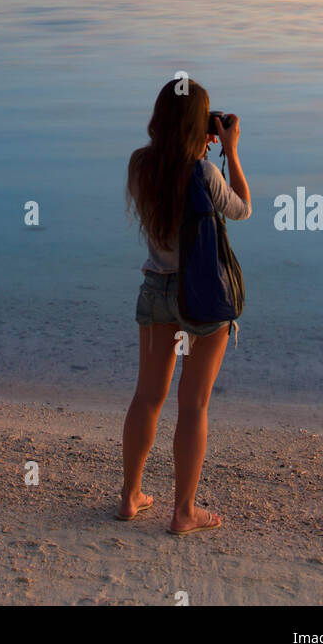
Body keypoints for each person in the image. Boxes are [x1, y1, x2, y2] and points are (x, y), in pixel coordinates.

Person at [119, 78, 251, 534]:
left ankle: (130, 496)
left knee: (148, 397)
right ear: (202, 124)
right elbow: (242, 209)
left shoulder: (141, 166)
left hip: (155, 290)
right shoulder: (206, 174)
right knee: (193, 404)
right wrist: (228, 151)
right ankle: (183, 511)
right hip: (202, 296)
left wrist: (196, 146)